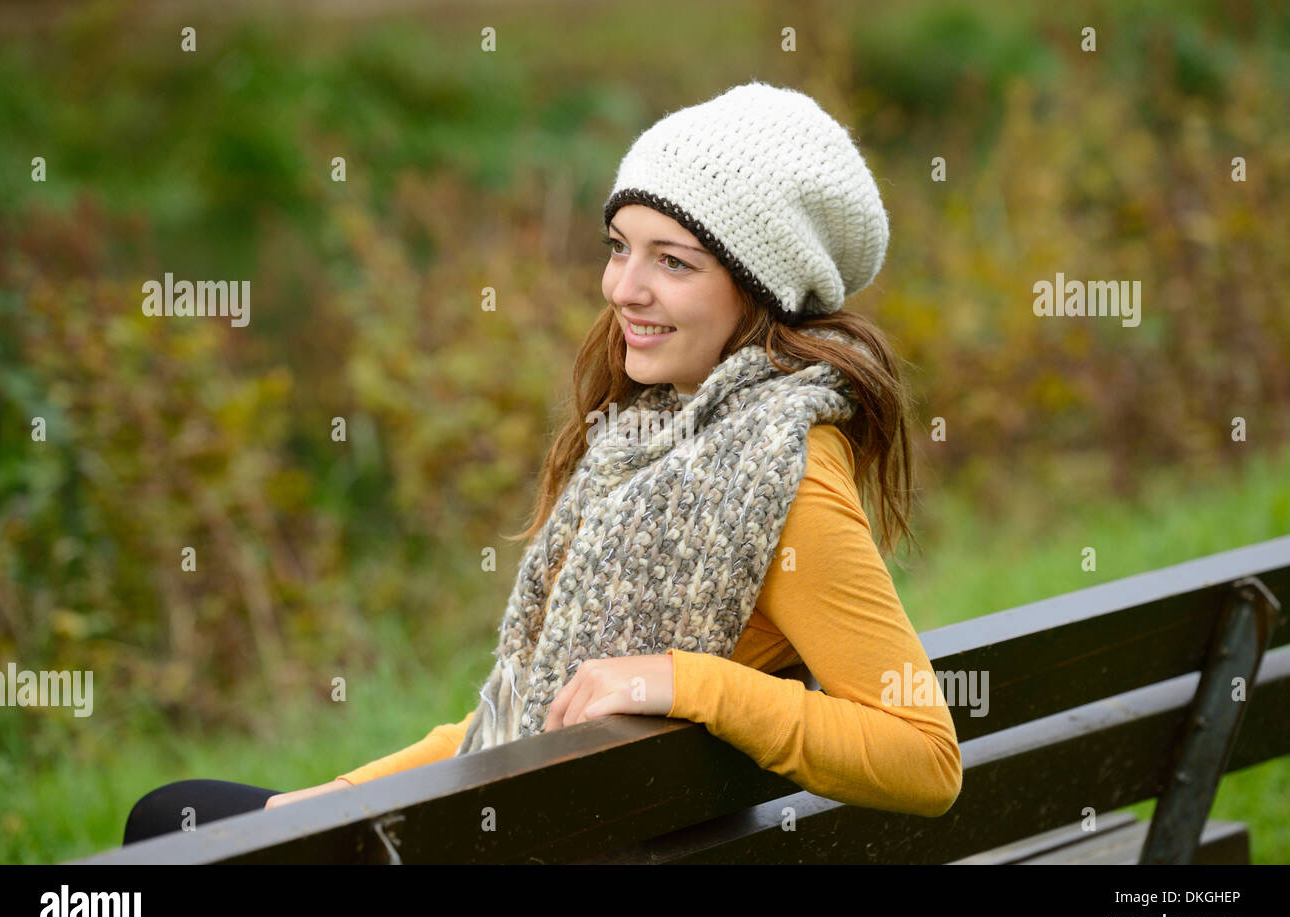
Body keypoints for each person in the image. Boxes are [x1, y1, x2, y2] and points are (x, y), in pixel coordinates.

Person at [123, 80, 961, 846]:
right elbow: (514, 723)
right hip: (545, 821)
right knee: (190, 817)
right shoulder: (657, 435)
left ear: (761, 286)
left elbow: (924, 755)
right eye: (619, 245)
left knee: (164, 823)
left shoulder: (783, 465)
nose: (622, 287)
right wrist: (332, 799)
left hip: (539, 841)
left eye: (672, 261)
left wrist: (688, 681)